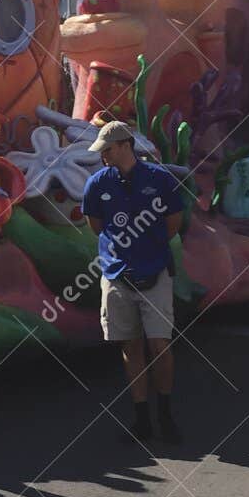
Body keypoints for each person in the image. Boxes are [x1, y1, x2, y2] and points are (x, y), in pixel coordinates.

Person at [81, 120, 184, 443]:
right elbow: (97, 225)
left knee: (160, 343)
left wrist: (147, 247)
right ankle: (141, 415)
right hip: (115, 273)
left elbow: (173, 223)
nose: (104, 156)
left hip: (154, 270)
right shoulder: (98, 183)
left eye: (108, 149)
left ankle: (165, 411)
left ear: (126, 145)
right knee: (130, 345)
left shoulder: (160, 180)